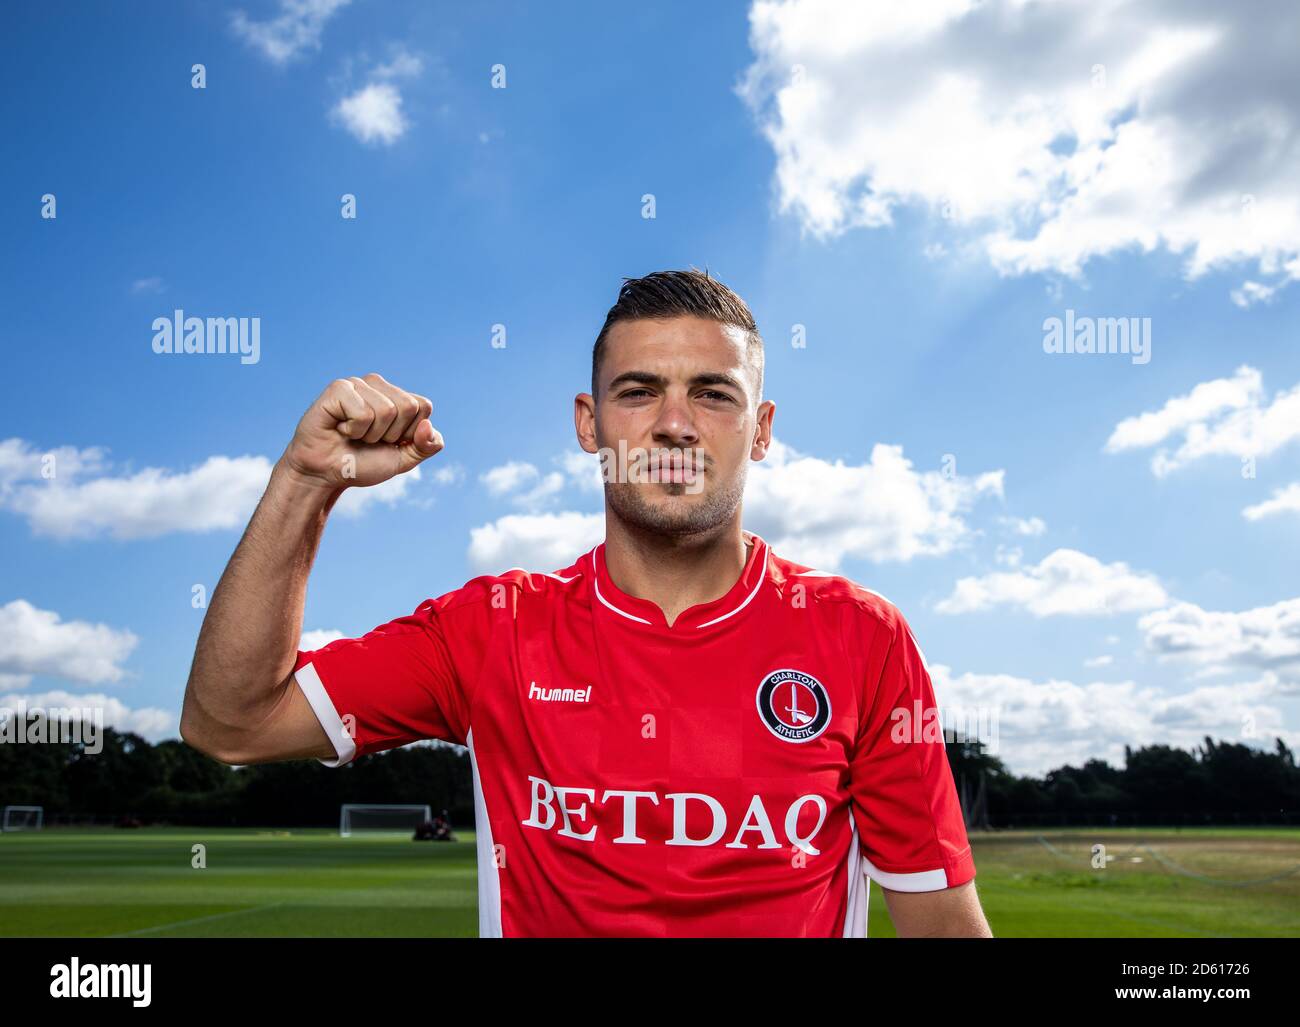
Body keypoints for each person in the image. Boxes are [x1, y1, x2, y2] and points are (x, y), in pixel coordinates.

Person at [180, 269, 992, 938]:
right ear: (588, 421)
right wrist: (305, 484)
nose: (674, 424)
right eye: (638, 391)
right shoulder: (494, 629)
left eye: (713, 394)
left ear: (763, 427)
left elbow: (943, 922)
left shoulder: (860, 636)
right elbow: (231, 722)